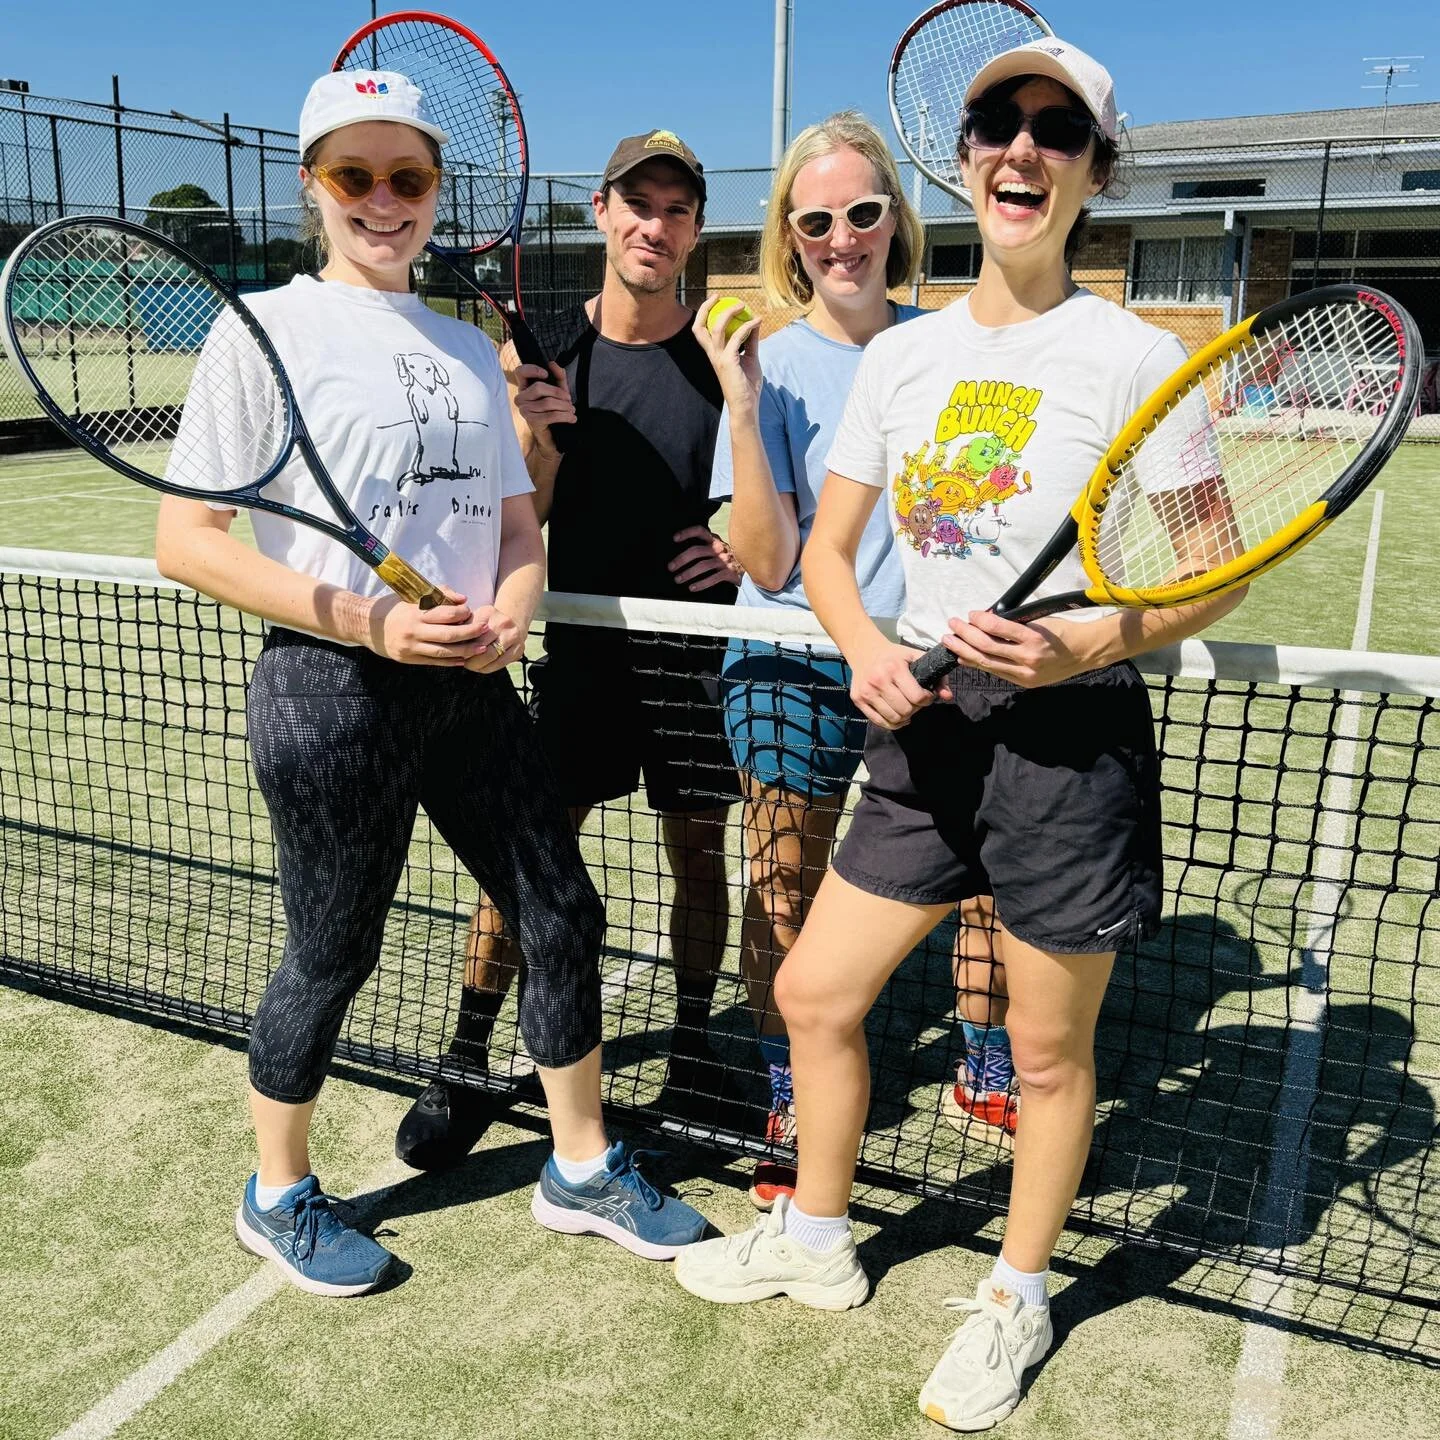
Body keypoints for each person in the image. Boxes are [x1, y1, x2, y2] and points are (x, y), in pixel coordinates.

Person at [674, 40, 1247, 1429]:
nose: (1021, 150)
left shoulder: (1134, 358)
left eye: (1057, 132)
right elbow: (826, 551)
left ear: (1095, 173)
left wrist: (1086, 641)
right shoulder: (910, 354)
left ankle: (1015, 1296)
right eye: (1000, 122)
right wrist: (868, 654)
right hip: (924, 732)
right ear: (966, 154)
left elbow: (1213, 567)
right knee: (814, 994)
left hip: (1070, 741)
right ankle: (817, 1239)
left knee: (1045, 1058)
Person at [154, 72, 709, 1296]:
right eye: (355, 175)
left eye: (407, 177)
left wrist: (514, 601)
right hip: (328, 691)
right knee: (330, 952)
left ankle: (579, 1165)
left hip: (467, 689)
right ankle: (279, 1192)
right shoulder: (262, 330)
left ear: (435, 191)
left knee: (561, 911)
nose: (384, 201)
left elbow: (515, 521)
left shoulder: (470, 345)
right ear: (314, 187)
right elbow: (187, 540)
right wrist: (363, 620)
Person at [395, 128, 747, 1170]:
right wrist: (537, 431)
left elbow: (776, 488)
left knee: (701, 857)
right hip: (581, 652)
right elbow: (521, 521)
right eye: (637, 204)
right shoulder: (536, 347)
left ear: (693, 228)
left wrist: (739, 548)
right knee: (525, 861)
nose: (655, 224)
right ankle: (467, 1058)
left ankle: (691, 1051)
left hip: (691, 654)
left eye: (676, 208)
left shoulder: (722, 355)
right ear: (600, 212)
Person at [692, 111, 928, 1210]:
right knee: (782, 889)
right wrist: (742, 407)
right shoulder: (768, 366)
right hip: (786, 672)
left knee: (971, 893)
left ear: (896, 221)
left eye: (864, 212)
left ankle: (989, 1076)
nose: (844, 236)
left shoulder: (945, 351)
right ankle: (790, 1088)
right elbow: (772, 555)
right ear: (791, 236)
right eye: (817, 219)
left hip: (923, 674)